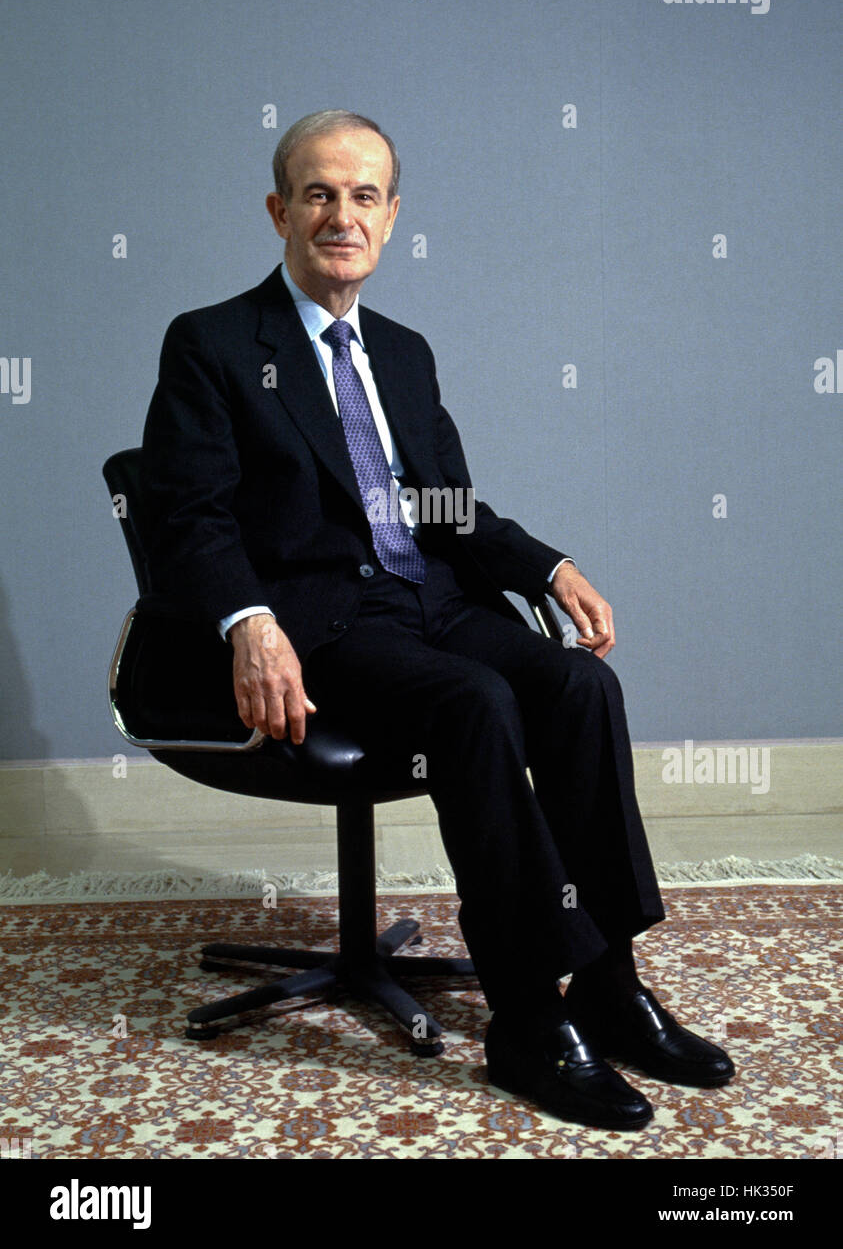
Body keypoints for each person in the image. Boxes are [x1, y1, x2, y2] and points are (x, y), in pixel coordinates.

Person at [140, 109, 734, 1130]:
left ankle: (610, 982)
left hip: (436, 599)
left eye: (364, 195)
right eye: (319, 193)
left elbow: (446, 510)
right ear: (279, 211)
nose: (342, 214)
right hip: (326, 620)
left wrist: (546, 562)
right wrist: (248, 618)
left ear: (392, 216)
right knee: (477, 700)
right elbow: (186, 511)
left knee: (582, 685)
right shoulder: (214, 345)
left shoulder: (404, 353)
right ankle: (524, 1022)